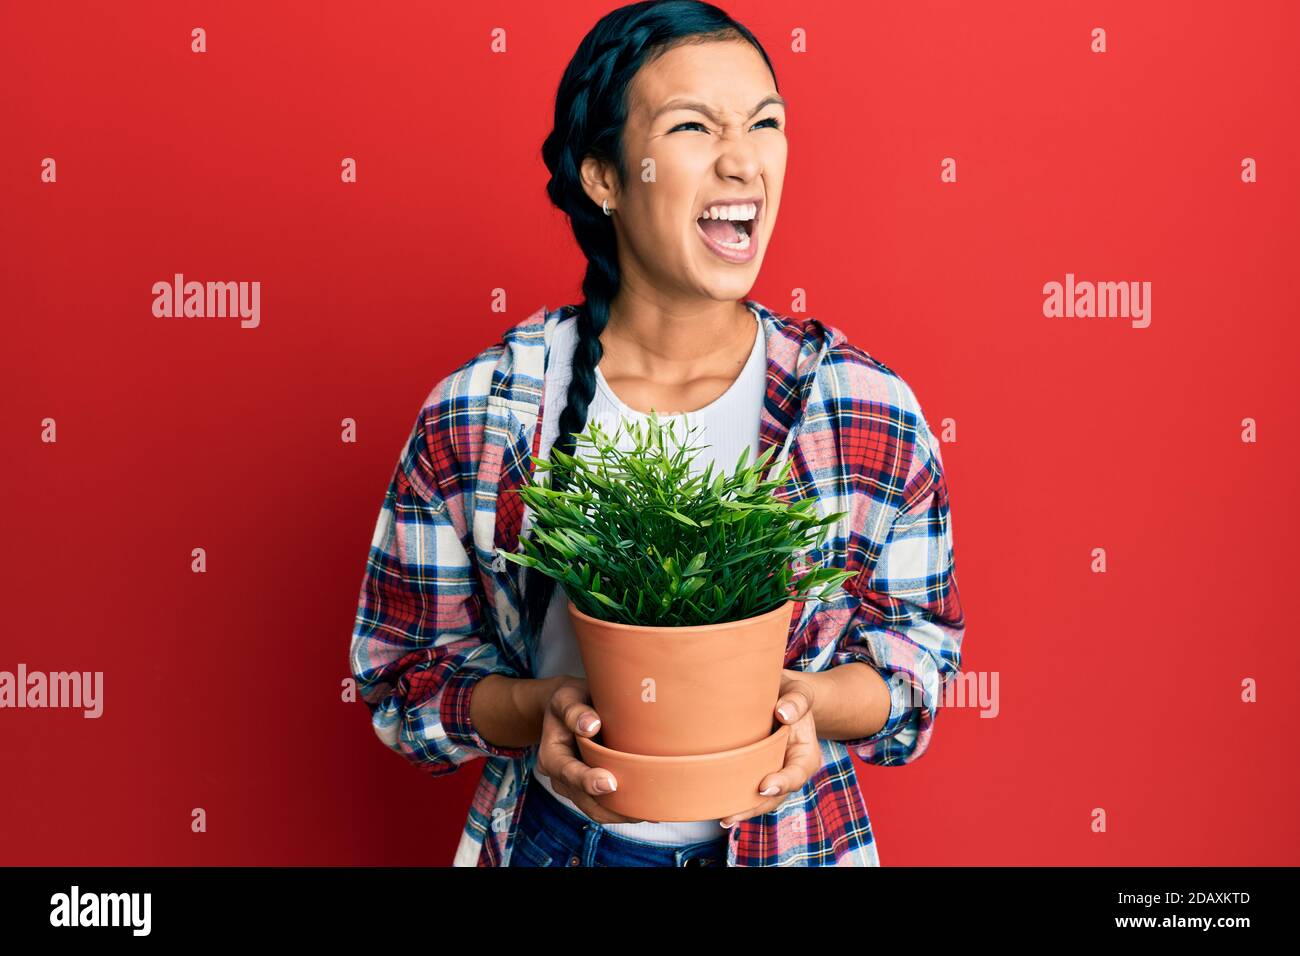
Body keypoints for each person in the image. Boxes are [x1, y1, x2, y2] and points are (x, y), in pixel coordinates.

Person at [349, 0, 966, 867]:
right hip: (555, 841)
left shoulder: (864, 409)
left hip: (793, 845)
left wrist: (803, 706)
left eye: (765, 122)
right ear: (604, 174)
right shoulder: (482, 411)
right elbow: (402, 679)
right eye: (691, 125)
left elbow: (919, 665)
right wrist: (540, 710)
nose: (742, 157)